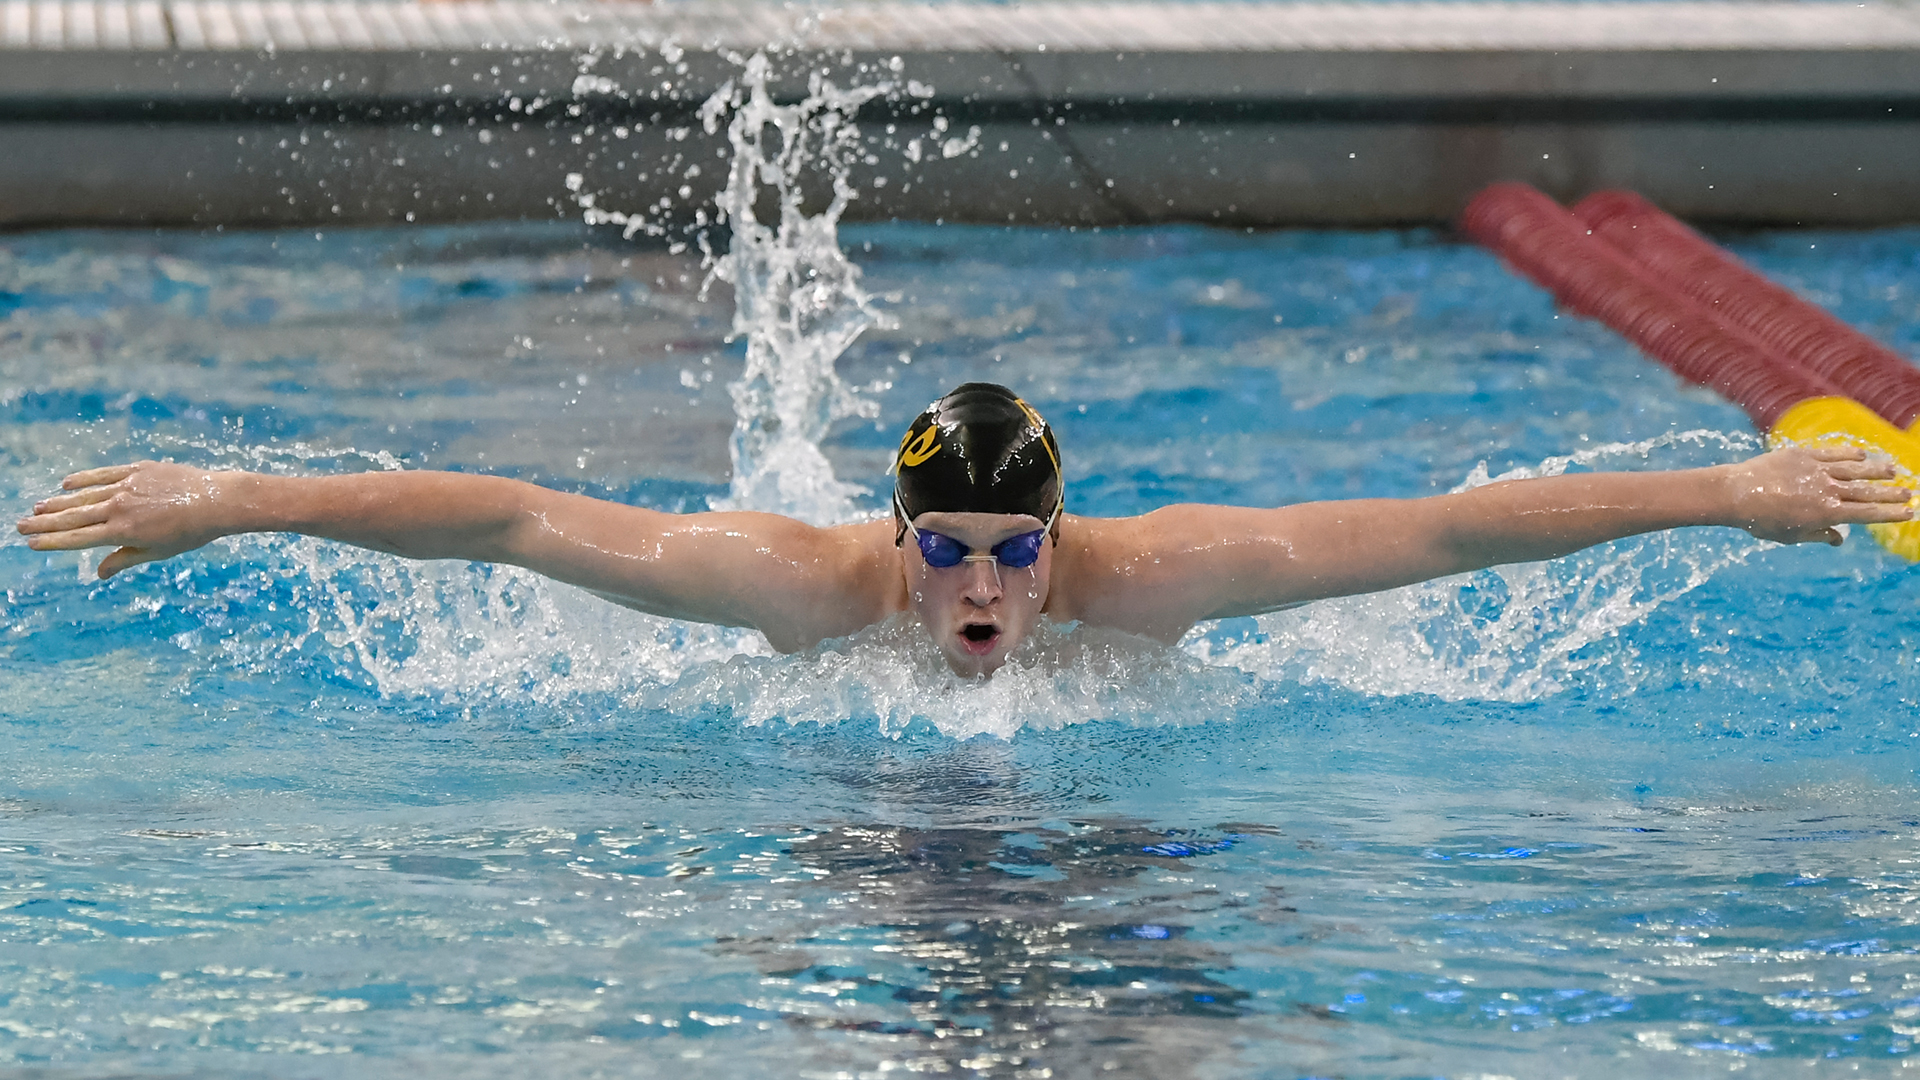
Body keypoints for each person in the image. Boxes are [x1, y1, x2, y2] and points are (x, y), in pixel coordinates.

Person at [15, 382, 1913, 677]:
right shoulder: (797, 589)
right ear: (897, 532)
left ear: (1065, 531)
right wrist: (228, 498)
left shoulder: (1162, 577)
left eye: (1019, 550)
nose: (988, 587)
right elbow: (509, 516)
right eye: (952, 552)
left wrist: (1735, 491)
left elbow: (1446, 534)